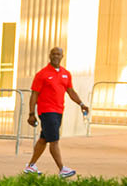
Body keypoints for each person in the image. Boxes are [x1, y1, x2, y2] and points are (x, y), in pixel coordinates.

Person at [24, 47, 90, 178]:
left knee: (44, 139)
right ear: (49, 56)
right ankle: (62, 169)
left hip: (59, 110)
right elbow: (34, 94)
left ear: (62, 56)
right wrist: (31, 114)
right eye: (53, 54)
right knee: (54, 140)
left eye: (58, 54)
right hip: (47, 111)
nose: (55, 56)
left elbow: (70, 91)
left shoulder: (66, 74)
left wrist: (81, 104)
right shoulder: (42, 74)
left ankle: (31, 166)